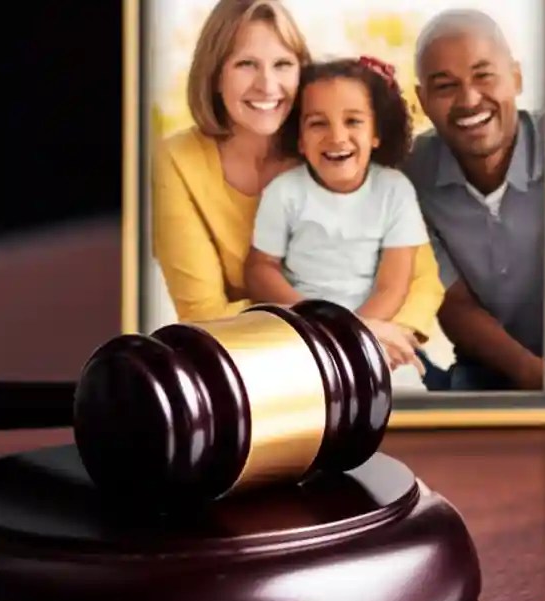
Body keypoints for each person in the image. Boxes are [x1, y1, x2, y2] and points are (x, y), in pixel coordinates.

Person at [152, 0, 440, 370]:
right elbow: (205, 314)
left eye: (283, 65)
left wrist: (375, 340)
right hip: (252, 363)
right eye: (245, 64)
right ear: (215, 75)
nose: (267, 85)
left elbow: (422, 280)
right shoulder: (175, 162)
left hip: (376, 353)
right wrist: (347, 331)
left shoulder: (327, 144)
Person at [245, 57, 431, 377]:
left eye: (353, 121)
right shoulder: (284, 191)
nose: (336, 137)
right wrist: (316, 323)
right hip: (301, 327)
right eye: (318, 123)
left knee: (404, 380)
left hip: (372, 328)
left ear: (376, 133)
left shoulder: (394, 191)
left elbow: (393, 286)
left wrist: (355, 334)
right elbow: (261, 270)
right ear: (300, 139)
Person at [403, 9, 545, 391]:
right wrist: (531, 373)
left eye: (483, 76)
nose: (468, 99)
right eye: (445, 85)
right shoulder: (409, 177)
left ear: (516, 78)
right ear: (422, 99)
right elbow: (453, 303)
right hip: (483, 365)